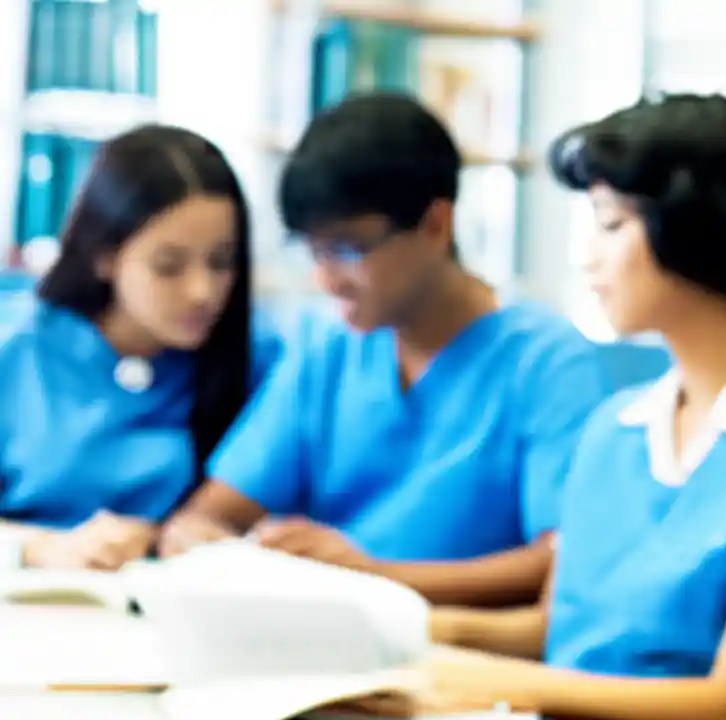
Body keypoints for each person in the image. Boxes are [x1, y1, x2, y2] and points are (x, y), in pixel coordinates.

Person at [358, 94, 726, 719]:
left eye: (611, 225)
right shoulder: (614, 429)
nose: (587, 256)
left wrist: (493, 682)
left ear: (697, 229)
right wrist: (402, 632)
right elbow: (560, 633)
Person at [159, 92, 612, 607]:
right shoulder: (325, 347)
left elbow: (561, 563)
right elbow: (207, 515)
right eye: (312, 250)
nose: (325, 279)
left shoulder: (548, 364)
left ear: (435, 225)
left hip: (460, 655)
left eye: (348, 249)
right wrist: (220, 552)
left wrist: (371, 577)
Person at [0, 125, 276, 571]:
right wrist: (40, 547)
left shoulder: (262, 360)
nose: (202, 291)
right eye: (169, 266)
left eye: (222, 261)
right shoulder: (18, 350)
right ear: (103, 255)